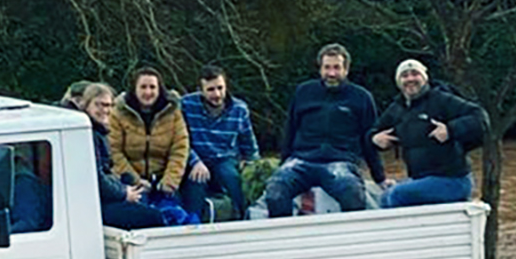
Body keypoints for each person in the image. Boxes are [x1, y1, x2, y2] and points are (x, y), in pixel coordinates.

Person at [249, 43, 384, 218]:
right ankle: (285, 239)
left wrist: (379, 177)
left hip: (340, 163)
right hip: (301, 161)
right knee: (275, 190)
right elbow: (290, 130)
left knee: (353, 193)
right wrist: (284, 164)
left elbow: (369, 140)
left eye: (337, 67)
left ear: (346, 70)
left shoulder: (361, 97)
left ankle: (349, 241)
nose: (331, 73)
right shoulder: (304, 92)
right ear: (320, 69)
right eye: (327, 67)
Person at [372, 59, 485, 207]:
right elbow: (374, 131)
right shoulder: (397, 109)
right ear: (398, 82)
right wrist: (375, 139)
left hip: (453, 180)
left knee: (397, 194)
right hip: (420, 179)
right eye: (405, 75)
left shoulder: (440, 99)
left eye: (415, 74)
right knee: (385, 197)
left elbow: (479, 116)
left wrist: (450, 129)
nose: (410, 79)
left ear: (425, 78)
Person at [109, 65, 206, 221]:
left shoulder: (173, 112)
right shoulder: (118, 113)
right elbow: (114, 151)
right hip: (132, 181)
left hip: (164, 180)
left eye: (152, 87)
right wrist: (136, 180)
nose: (148, 92)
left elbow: (180, 148)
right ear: (134, 89)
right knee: (145, 216)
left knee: (178, 212)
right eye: (143, 87)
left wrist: (170, 181)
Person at [180, 65, 260, 219]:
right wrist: (195, 161)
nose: (217, 94)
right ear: (201, 90)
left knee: (231, 177)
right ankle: (192, 224)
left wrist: (251, 164)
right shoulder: (187, 105)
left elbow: (249, 144)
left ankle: (243, 218)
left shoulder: (239, 109)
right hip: (196, 159)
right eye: (210, 90)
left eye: (220, 88)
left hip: (225, 159)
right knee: (195, 184)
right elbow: (180, 141)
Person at [82, 83, 165, 229]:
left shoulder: (101, 132)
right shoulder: (88, 135)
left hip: (106, 195)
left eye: (108, 106)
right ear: (87, 105)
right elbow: (96, 177)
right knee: (154, 217)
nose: (104, 110)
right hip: (93, 205)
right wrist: (123, 193)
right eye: (99, 105)